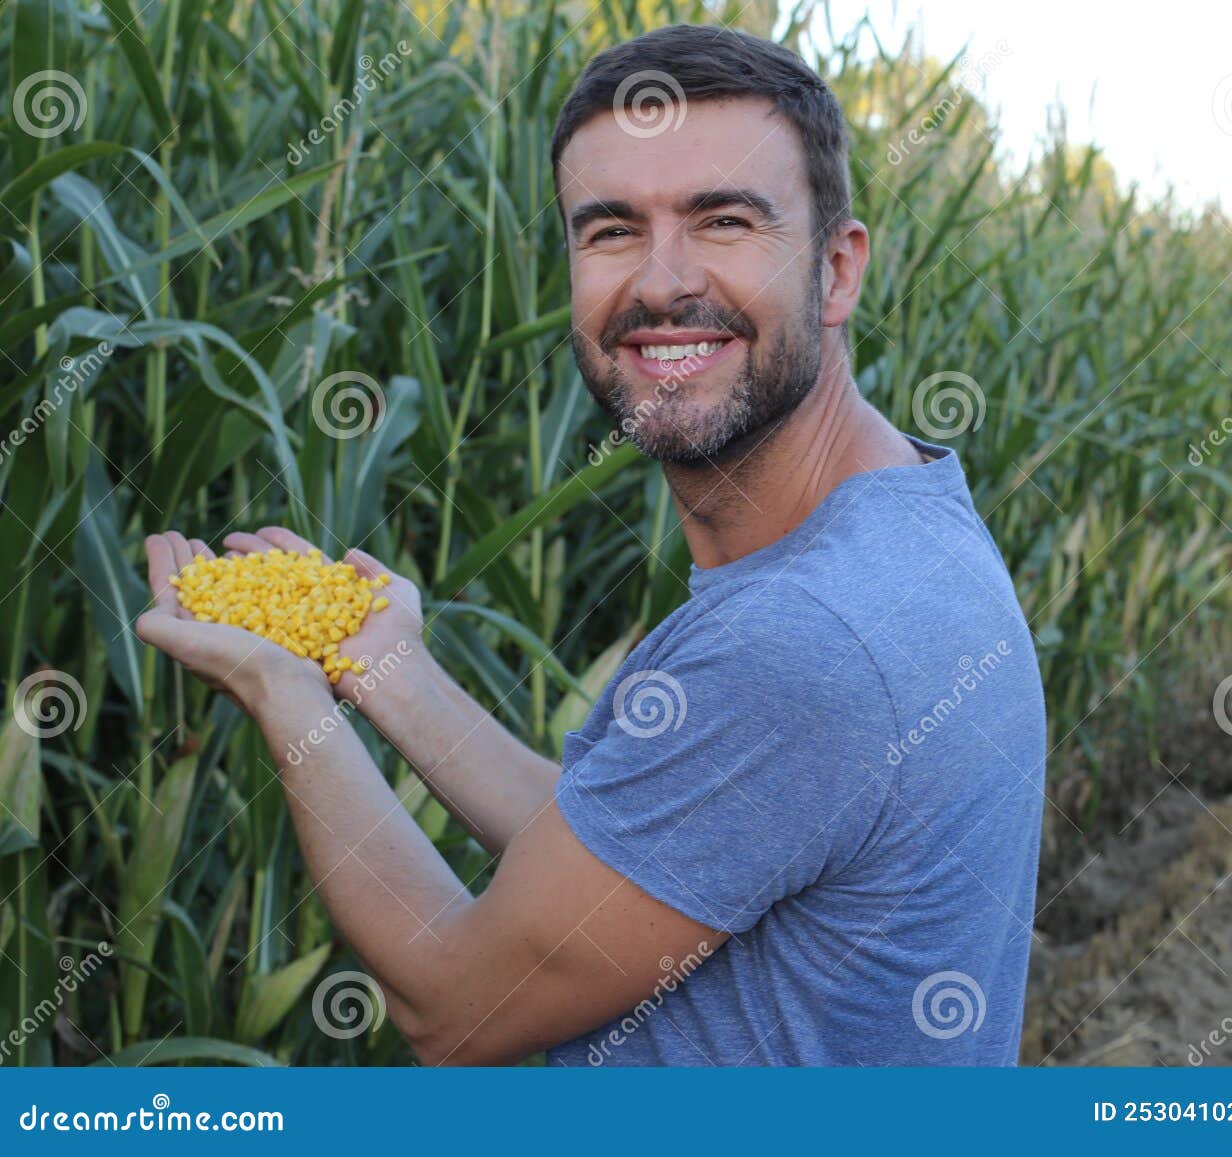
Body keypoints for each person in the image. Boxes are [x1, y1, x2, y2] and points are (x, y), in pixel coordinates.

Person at [136, 23, 1046, 1065]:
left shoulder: (804, 639)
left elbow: (452, 999)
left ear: (837, 272)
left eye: (723, 220)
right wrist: (382, 663)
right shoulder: (901, 523)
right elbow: (632, 849)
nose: (661, 284)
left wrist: (284, 691)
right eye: (610, 231)